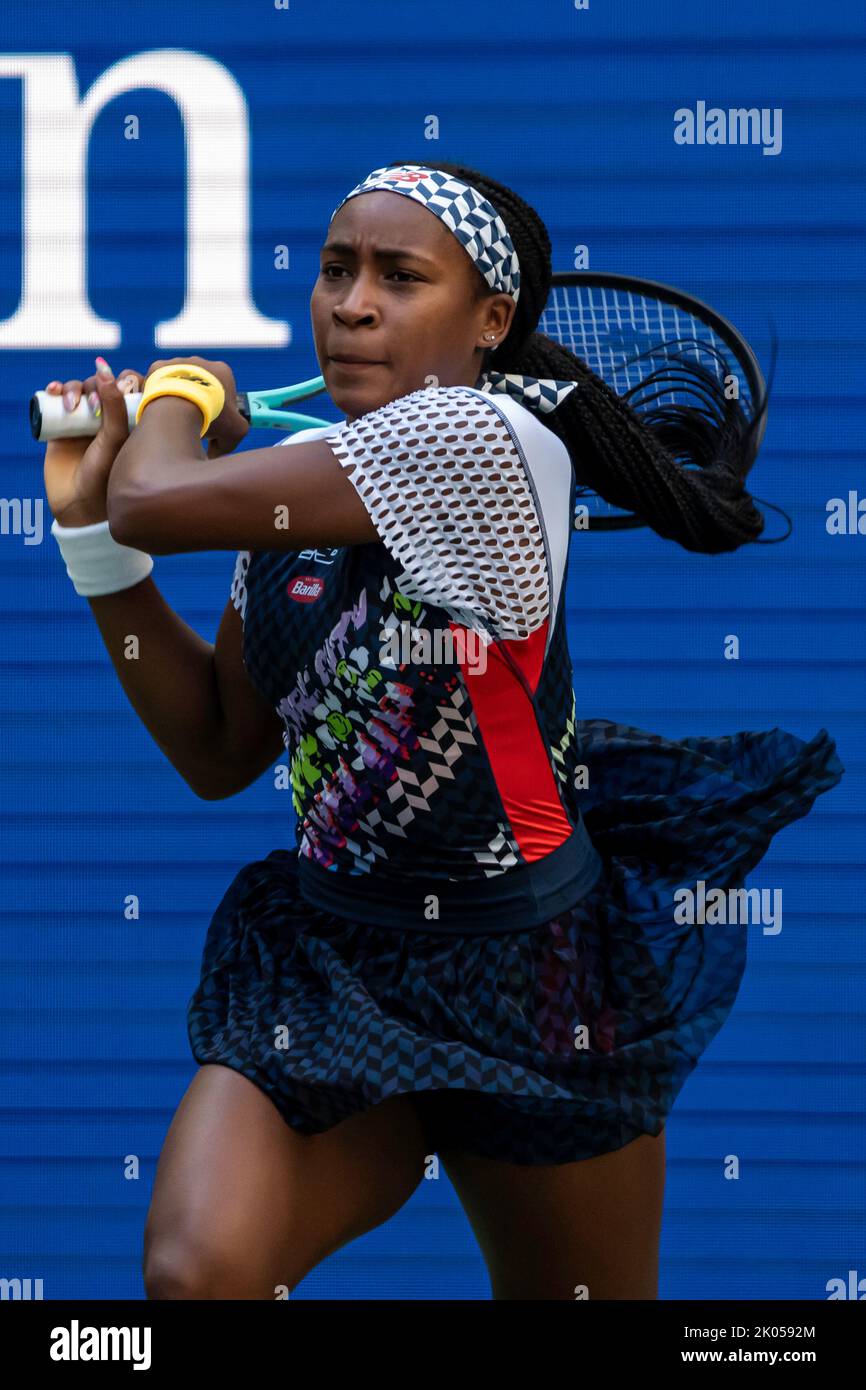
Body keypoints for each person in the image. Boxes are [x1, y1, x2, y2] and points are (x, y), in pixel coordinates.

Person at [42, 161, 844, 1301]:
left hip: (536, 982)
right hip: (328, 972)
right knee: (195, 1276)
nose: (350, 303)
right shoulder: (284, 490)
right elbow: (221, 747)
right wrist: (92, 545)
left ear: (491, 322)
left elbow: (154, 497)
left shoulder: (488, 445)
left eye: (397, 276)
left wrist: (174, 393)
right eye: (334, 270)